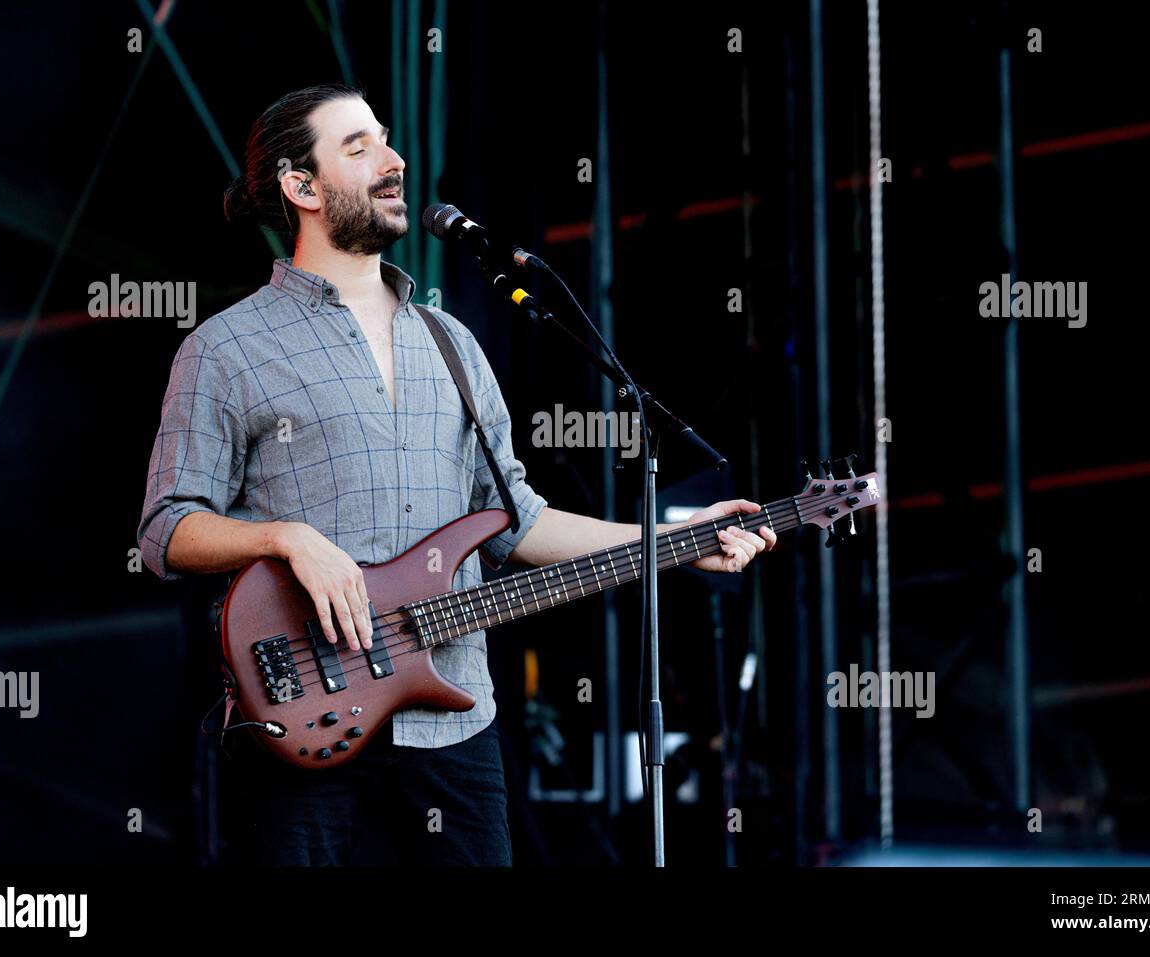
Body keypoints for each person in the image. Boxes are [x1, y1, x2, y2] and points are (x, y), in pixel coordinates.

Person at [136, 83, 776, 866]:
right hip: (304, 723)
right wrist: (288, 537)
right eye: (359, 146)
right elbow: (166, 530)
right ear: (300, 187)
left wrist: (677, 539)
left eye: (386, 139)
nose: (393, 159)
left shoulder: (453, 345)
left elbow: (522, 521)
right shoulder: (225, 348)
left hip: (454, 730)